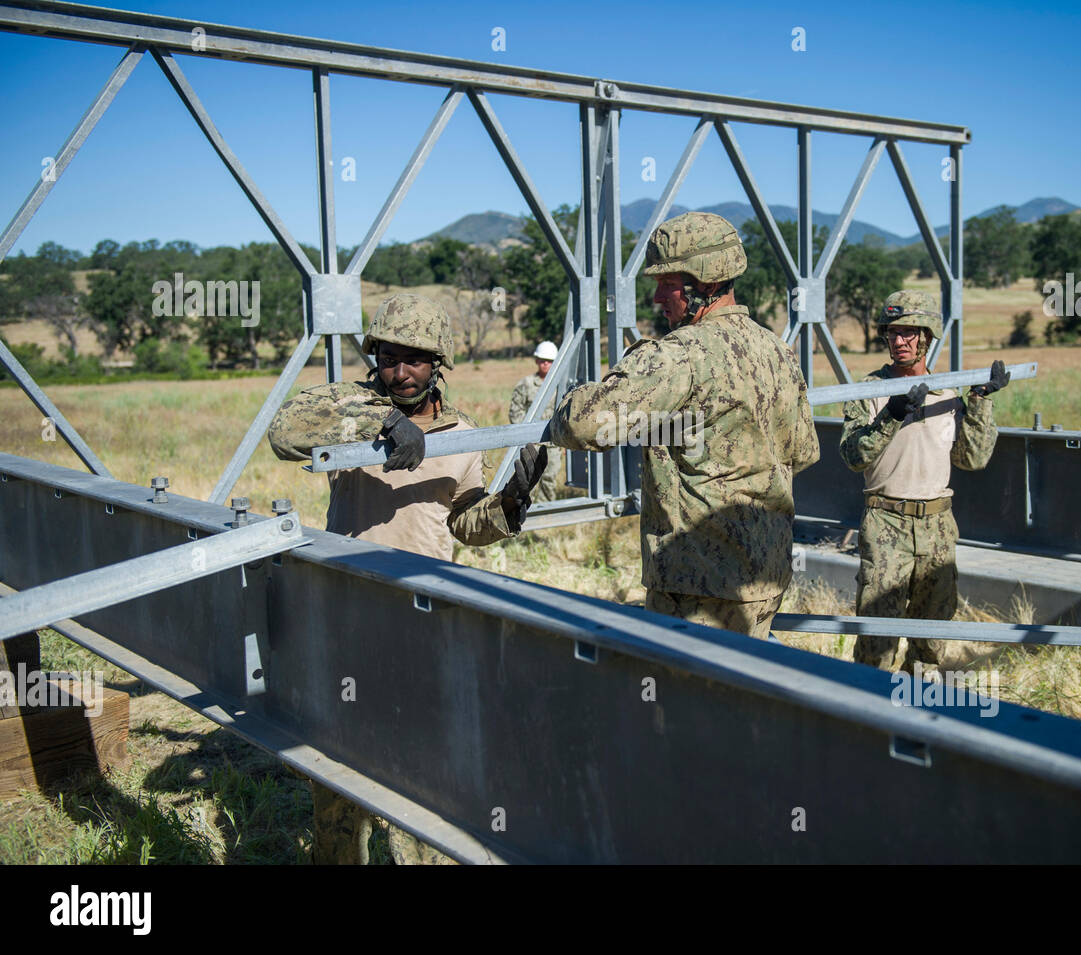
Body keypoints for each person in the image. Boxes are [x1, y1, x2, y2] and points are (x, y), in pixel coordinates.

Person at [268, 292, 547, 864]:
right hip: (347, 609)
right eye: (389, 359)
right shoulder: (351, 409)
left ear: (438, 362)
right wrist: (385, 421)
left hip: (423, 617)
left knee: (424, 766)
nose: (400, 373)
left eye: (414, 360)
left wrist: (511, 502)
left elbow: (465, 522)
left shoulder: (461, 433)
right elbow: (284, 430)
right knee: (339, 764)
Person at [549, 211, 819, 639]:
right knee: (748, 680)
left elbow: (583, 424)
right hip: (766, 572)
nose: (657, 297)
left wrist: (574, 396)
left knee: (687, 684)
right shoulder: (777, 350)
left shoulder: (681, 354)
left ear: (706, 282)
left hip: (699, 586)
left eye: (667, 282)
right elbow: (802, 453)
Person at [838, 290, 1009, 673]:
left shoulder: (947, 391)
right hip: (886, 524)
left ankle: (917, 703)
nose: (899, 341)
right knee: (877, 639)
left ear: (927, 337)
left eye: (909, 333)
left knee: (931, 637)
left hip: (937, 526)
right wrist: (891, 415)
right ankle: (868, 705)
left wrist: (980, 401)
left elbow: (973, 458)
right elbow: (853, 457)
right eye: (893, 333)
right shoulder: (869, 391)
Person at [509, 341, 563, 501]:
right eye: (542, 360)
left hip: (553, 444)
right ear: (536, 360)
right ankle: (527, 511)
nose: (545, 364)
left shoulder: (560, 385)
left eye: (549, 361)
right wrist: (525, 435)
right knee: (527, 481)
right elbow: (515, 411)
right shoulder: (526, 384)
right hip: (530, 444)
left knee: (549, 480)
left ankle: (546, 511)